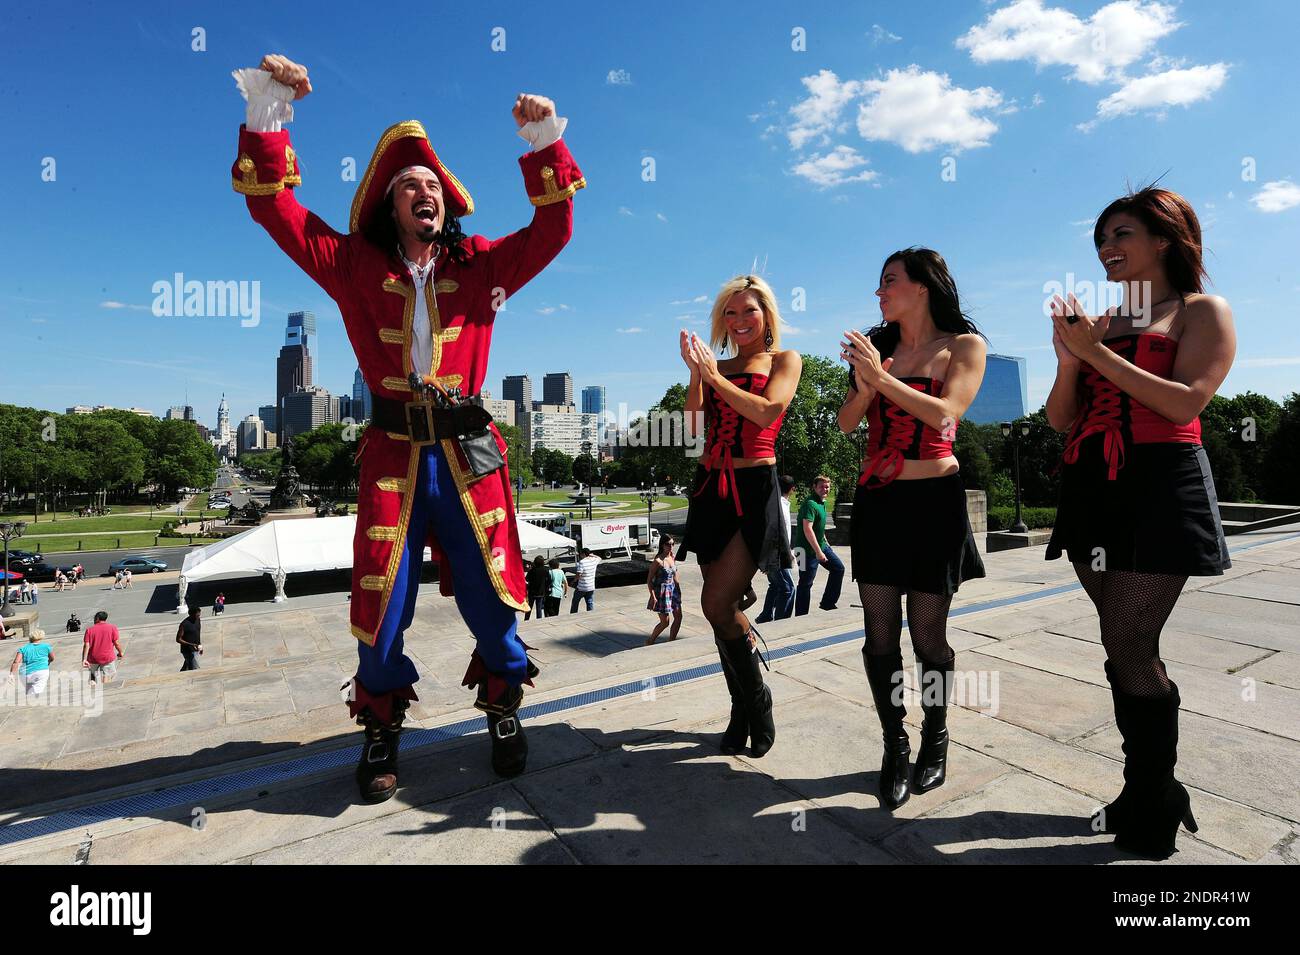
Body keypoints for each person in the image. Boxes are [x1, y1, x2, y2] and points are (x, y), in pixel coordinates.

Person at [232, 53, 584, 799]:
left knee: (494, 594)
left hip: (467, 449)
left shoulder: (482, 262)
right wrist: (268, 112)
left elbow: (553, 230)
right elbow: (277, 212)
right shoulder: (354, 265)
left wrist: (543, 142)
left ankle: (503, 706)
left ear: (446, 203)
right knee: (382, 603)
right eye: (408, 187)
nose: (423, 193)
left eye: (431, 185)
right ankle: (382, 727)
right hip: (392, 453)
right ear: (389, 206)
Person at [1045, 187, 1234, 859]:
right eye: (1099, 239)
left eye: (1120, 233)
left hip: (1162, 484)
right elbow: (1060, 418)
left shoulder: (1201, 310)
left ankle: (1152, 797)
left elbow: (1187, 398)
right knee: (1121, 643)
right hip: (1093, 486)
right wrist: (1071, 360)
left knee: (1130, 639)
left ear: (1165, 239)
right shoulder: (1100, 323)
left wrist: (1095, 355)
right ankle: (1148, 786)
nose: (1105, 249)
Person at [838, 247, 987, 811]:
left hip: (933, 502)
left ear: (922, 286)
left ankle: (937, 736)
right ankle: (894, 743)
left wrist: (882, 377)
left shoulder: (963, 347)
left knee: (928, 637)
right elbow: (847, 421)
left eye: (889, 282)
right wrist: (868, 380)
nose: (879, 293)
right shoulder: (880, 350)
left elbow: (946, 415)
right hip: (879, 501)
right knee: (880, 633)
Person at [678, 274, 802, 759]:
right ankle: (740, 707)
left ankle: (758, 699)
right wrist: (697, 375)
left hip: (753, 487)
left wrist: (712, 379)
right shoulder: (717, 365)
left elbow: (768, 412)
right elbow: (691, 427)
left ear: (767, 314)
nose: (739, 320)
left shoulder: (784, 360)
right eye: (730, 313)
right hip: (711, 488)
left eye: (748, 310)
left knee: (716, 603)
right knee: (719, 612)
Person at [794, 475, 845, 615]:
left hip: (820, 546)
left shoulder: (821, 502)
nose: (825, 489)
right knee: (805, 583)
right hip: (803, 551)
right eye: (822, 486)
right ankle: (801, 615)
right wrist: (818, 552)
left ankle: (828, 603)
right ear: (814, 487)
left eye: (827, 486)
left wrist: (825, 542)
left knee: (838, 569)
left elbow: (818, 527)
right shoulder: (810, 504)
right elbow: (807, 528)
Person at [755, 475, 797, 623]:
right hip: (777, 555)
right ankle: (781, 621)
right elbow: (775, 533)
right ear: (792, 489)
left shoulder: (778, 504)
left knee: (775, 586)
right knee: (788, 589)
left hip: (775, 554)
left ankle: (765, 616)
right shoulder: (779, 506)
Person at [645, 536, 682, 644]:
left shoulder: (672, 557)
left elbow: (674, 574)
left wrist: (678, 589)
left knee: (678, 617)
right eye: (668, 544)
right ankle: (650, 641)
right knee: (665, 622)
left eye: (672, 544)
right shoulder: (658, 561)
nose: (671, 546)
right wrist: (653, 596)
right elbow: (649, 581)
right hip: (662, 593)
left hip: (673, 591)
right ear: (662, 545)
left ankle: (671, 641)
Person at [83, 610, 124, 684]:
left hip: (92, 658)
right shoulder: (112, 628)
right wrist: (120, 652)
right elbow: (116, 643)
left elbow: (86, 645)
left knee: (92, 676)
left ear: (98, 618)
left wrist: (84, 659)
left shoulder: (89, 630)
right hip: (107, 658)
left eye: (95, 618)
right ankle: (105, 690)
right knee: (106, 676)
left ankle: (93, 688)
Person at [10, 631, 53, 699]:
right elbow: (52, 658)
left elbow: (16, 662)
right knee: (36, 693)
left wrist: (12, 674)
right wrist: (48, 662)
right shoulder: (46, 646)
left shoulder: (23, 648)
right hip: (41, 672)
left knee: (30, 692)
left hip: (25, 674)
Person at [569, 548, 600, 612]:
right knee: (589, 602)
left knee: (575, 602)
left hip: (581, 587)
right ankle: (590, 613)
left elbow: (579, 574)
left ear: (583, 554)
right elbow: (599, 558)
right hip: (591, 586)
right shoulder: (594, 560)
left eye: (580, 554)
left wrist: (574, 581)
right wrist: (592, 555)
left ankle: (573, 614)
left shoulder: (582, 562)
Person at [177, 606, 203, 671]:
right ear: (191, 614)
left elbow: (197, 634)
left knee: (188, 665)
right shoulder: (184, 624)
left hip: (196, 648)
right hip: (188, 651)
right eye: (197, 615)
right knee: (195, 669)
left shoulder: (198, 620)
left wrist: (200, 645)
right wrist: (191, 644)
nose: (199, 616)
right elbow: (178, 639)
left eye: (199, 615)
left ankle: (182, 672)